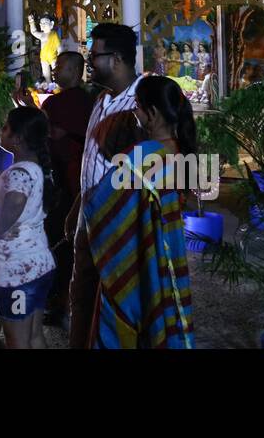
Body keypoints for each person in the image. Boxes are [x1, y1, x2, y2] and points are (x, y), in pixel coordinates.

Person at [83, 74, 194, 348]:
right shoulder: (179, 154)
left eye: (137, 108)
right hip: (165, 256)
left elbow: (99, 205)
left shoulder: (142, 157)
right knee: (162, 317)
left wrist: (85, 198)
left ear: (152, 113)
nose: (135, 113)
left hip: (133, 260)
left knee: (125, 328)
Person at [66, 22, 143, 349]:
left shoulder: (141, 105)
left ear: (118, 59)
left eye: (95, 55)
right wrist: (77, 209)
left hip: (119, 229)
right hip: (89, 221)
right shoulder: (100, 100)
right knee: (81, 298)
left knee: (117, 306)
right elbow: (92, 161)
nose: (89, 62)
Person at [0, 106, 56, 349]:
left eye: (5, 127)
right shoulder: (34, 168)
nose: (1, 132)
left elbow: (16, 201)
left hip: (17, 275)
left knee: (17, 342)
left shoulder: (19, 173)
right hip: (38, 267)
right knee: (34, 336)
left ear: (18, 139)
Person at [37, 51, 94, 325]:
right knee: (58, 241)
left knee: (63, 242)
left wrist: (65, 135)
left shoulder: (86, 103)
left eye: (60, 66)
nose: (55, 71)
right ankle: (60, 299)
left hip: (75, 183)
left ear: (75, 70)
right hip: (60, 181)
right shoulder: (60, 102)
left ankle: (63, 300)